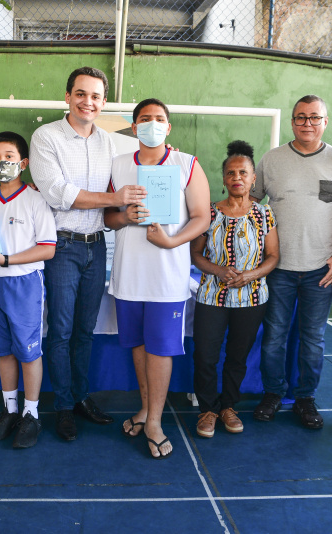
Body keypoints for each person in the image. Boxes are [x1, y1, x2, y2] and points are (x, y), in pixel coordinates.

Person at [30, 67, 147, 441]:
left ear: (104, 102)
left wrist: (169, 156)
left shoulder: (110, 142)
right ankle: (63, 406)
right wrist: (115, 199)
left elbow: (144, 157)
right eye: (81, 94)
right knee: (61, 331)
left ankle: (81, 398)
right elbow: (56, 193)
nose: (88, 102)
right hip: (61, 246)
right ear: (67, 97)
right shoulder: (46, 136)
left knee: (85, 331)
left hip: (97, 246)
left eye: (95, 96)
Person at [104, 98, 210, 458]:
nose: (152, 123)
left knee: (161, 347)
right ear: (134, 127)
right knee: (136, 345)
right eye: (145, 119)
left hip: (167, 277)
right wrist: (125, 217)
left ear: (169, 126)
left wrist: (171, 241)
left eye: (159, 118)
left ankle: (155, 422)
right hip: (129, 274)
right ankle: (146, 409)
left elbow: (201, 218)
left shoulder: (186, 164)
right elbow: (108, 218)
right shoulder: (119, 165)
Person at [251, 94, 332, 429]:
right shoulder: (273, 159)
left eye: (314, 117)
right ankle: (273, 393)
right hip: (276, 268)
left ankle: (306, 398)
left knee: (313, 338)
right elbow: (251, 202)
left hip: (320, 270)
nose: (307, 123)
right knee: (275, 335)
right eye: (300, 117)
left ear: (325, 121)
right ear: (292, 121)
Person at [0, 132, 56, 449]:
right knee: (2, 349)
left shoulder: (36, 200)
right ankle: (10, 410)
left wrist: (7, 260)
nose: (1, 161)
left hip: (24, 282)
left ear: (23, 163)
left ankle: (32, 414)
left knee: (28, 350)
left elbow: (47, 249)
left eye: (8, 155)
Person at [190, 140, 279, 439]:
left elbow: (273, 257)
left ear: (254, 178)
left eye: (243, 173)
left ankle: (228, 406)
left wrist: (250, 275)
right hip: (211, 296)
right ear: (224, 178)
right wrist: (218, 271)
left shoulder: (264, 214)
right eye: (231, 173)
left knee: (237, 356)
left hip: (252, 298)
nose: (237, 178)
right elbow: (196, 255)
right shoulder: (210, 213)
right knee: (205, 355)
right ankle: (207, 409)